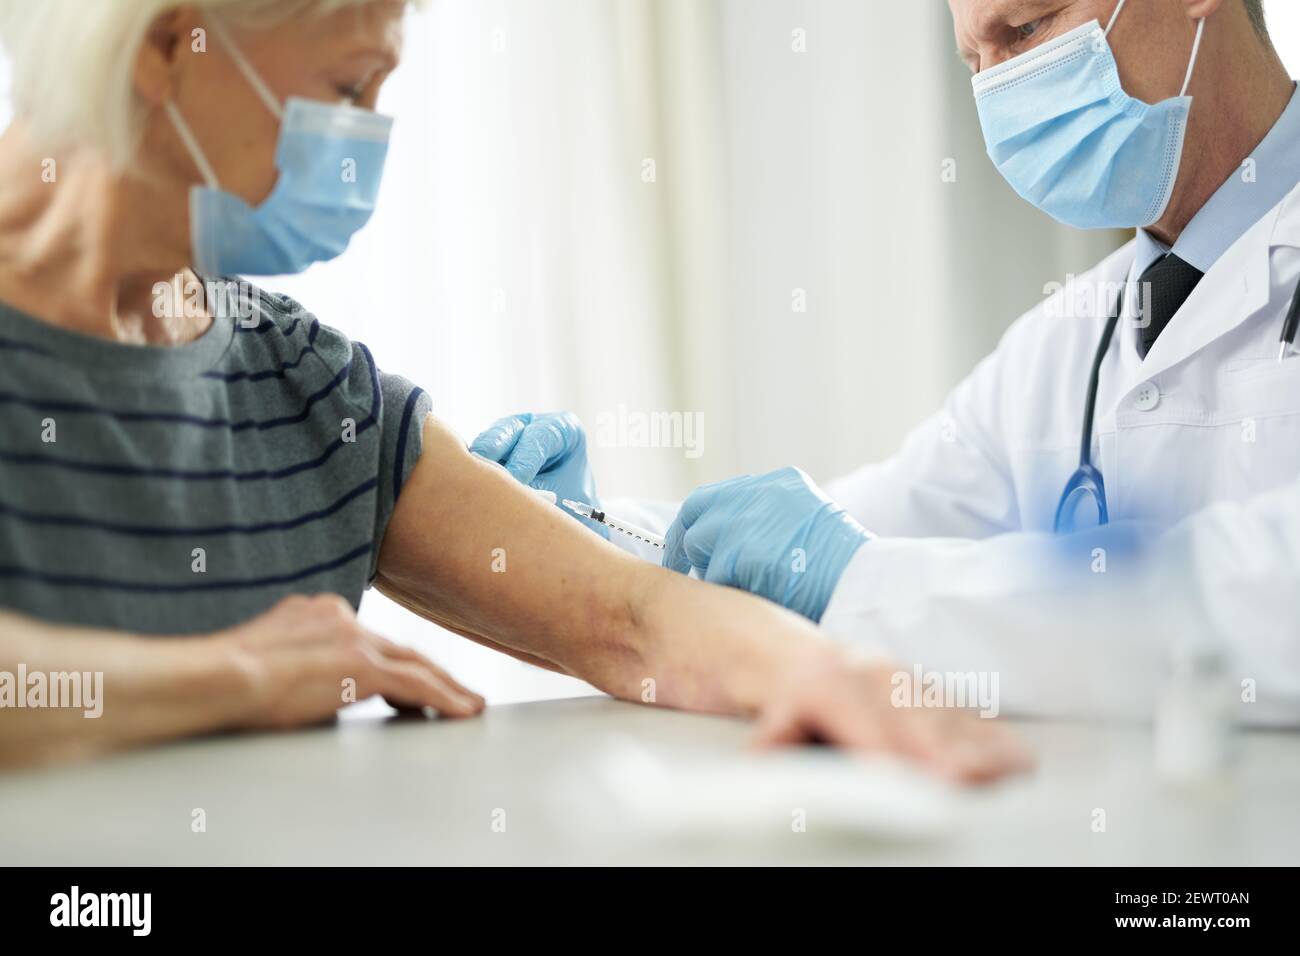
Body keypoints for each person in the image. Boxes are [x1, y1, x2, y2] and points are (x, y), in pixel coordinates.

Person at [0, 0, 1032, 777]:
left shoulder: (306, 389)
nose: (366, 142)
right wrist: (233, 678)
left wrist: (826, 670)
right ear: (165, 45)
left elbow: (632, 618)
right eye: (351, 89)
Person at [477, 0, 1300, 724]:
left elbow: (1265, 592)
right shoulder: (1066, 341)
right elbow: (871, 528)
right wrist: (602, 538)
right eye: (977, 60)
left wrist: (858, 579)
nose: (1004, 91)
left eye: (1028, 28)